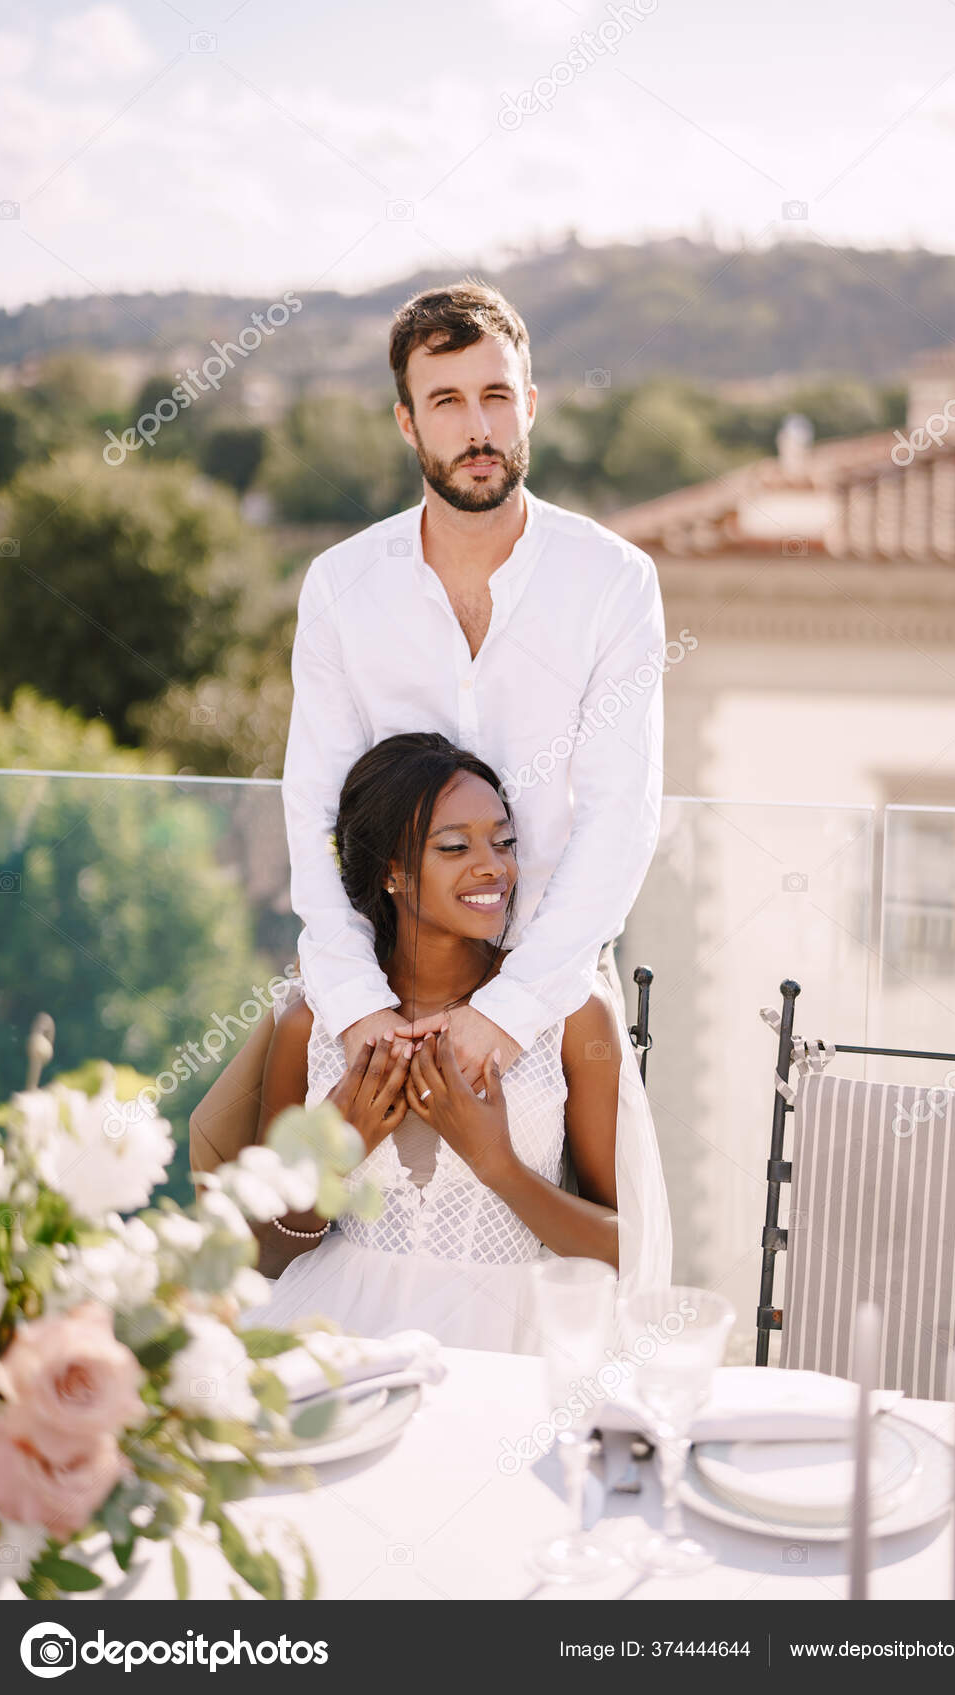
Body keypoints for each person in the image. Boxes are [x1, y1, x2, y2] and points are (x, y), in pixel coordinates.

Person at [282, 277, 670, 1103]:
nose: (479, 426)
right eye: (447, 400)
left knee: (581, 1228)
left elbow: (620, 812)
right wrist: (356, 1005)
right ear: (407, 421)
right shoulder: (341, 586)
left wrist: (510, 1009)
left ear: (529, 403)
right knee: (299, 1211)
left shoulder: (612, 580)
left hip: (553, 991)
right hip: (384, 992)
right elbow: (314, 808)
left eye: (496, 395)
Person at [245, 733, 671, 1352]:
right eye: (454, 846)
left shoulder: (570, 1017)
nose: (493, 867)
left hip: (513, 1341)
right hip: (340, 1330)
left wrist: (497, 1163)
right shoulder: (311, 1027)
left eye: (504, 842)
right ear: (391, 870)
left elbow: (618, 1246)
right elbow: (265, 1244)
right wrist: (332, 1162)